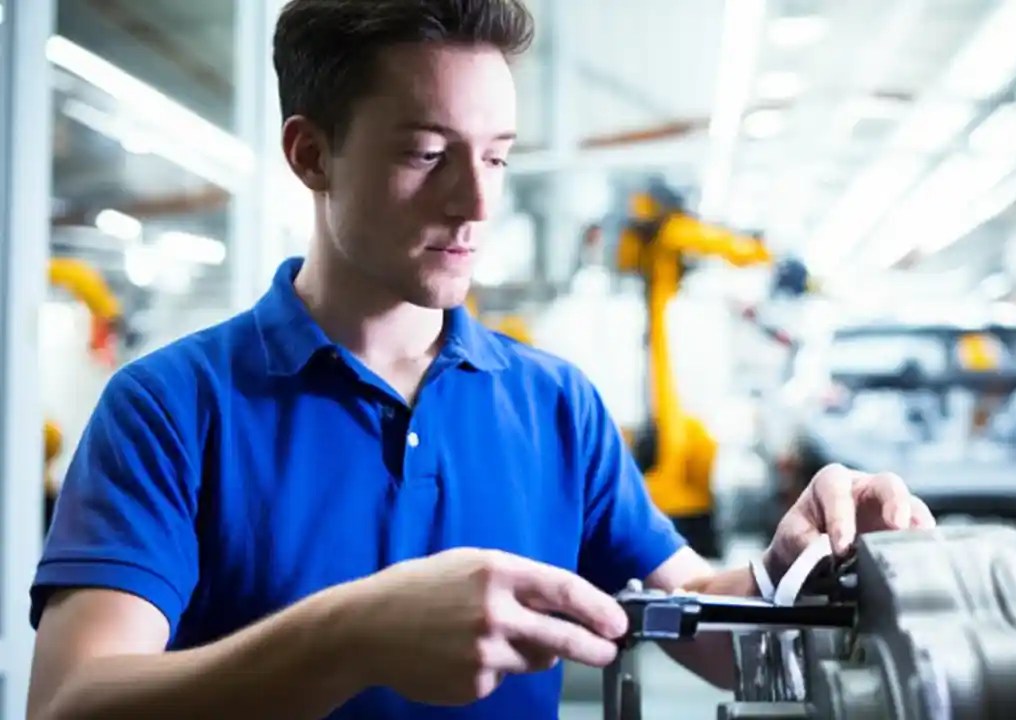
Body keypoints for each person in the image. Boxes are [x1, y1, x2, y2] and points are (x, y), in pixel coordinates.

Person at [25, 1, 936, 718]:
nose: (475, 204)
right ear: (311, 155)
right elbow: (74, 702)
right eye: (428, 154)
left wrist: (796, 567)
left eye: (496, 159)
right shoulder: (171, 408)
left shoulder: (552, 405)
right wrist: (355, 634)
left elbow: (698, 613)